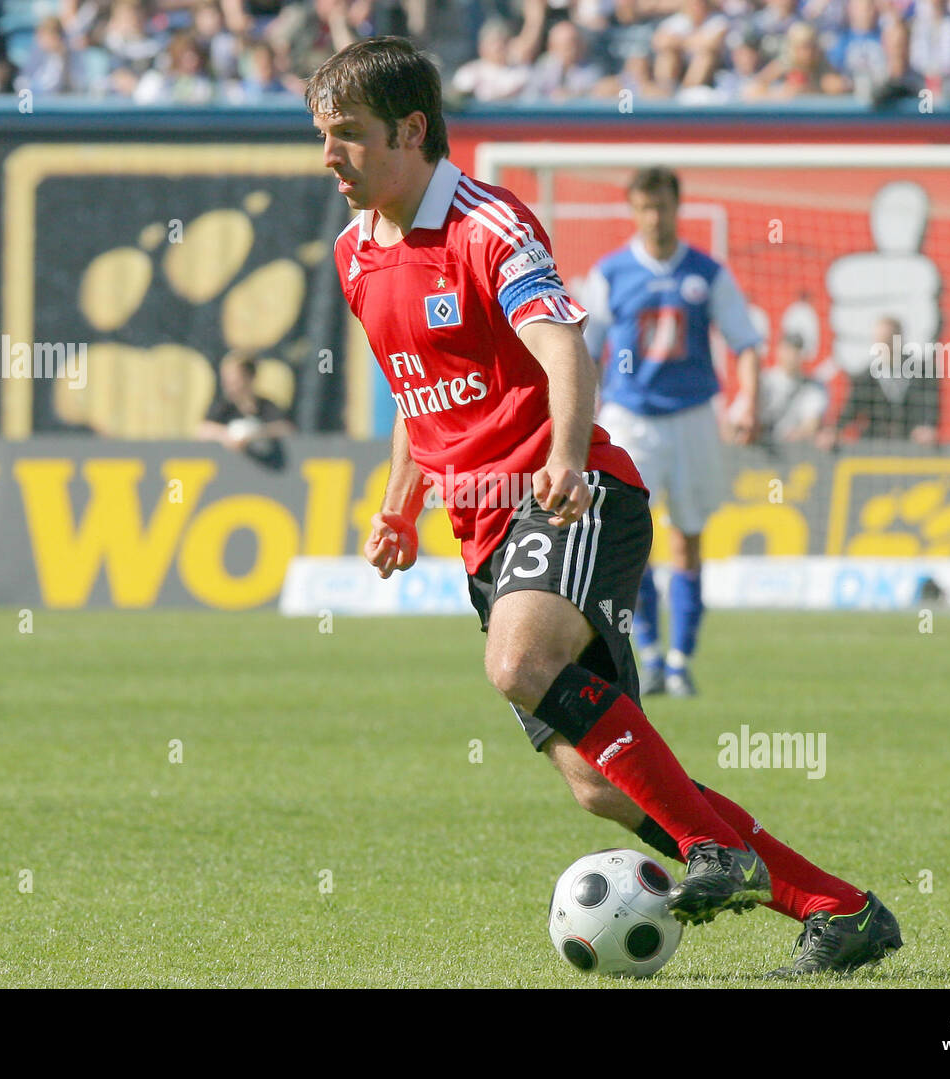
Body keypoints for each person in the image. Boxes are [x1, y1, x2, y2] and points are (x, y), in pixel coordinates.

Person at [309, 36, 902, 976]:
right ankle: (840, 908)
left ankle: (720, 854)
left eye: (346, 136)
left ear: (411, 130)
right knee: (602, 785)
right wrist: (397, 507)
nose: (329, 157)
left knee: (519, 662)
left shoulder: (487, 224)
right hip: (482, 532)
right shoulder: (355, 253)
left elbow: (566, 353)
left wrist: (569, 456)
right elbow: (415, 393)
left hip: (571, 492)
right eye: (321, 137)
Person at [581, 166, 760, 700]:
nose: (654, 217)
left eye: (662, 206)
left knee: (687, 538)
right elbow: (586, 353)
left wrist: (746, 398)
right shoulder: (611, 273)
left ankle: (681, 661)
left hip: (692, 416)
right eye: (644, 207)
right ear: (633, 211)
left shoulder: (707, 273)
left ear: (678, 208)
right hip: (630, 418)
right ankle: (652, 656)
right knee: (632, 540)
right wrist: (582, 420)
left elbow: (744, 341)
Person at [816, 315, 939, 448]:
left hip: (912, 447)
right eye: (879, 341)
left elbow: (930, 405)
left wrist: (927, 428)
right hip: (876, 449)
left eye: (887, 341)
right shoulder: (866, 378)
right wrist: (833, 431)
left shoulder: (923, 373)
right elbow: (850, 410)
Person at [197, 352, 294, 469]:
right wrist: (226, 435)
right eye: (226, 381)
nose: (229, 386)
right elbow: (203, 430)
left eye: (234, 381)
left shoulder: (266, 406)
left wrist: (254, 434)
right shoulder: (222, 407)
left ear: (249, 378)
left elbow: (286, 428)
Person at [759, 330, 828, 443]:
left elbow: (811, 424)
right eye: (787, 349)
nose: (791, 355)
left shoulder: (813, 387)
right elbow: (739, 415)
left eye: (796, 350)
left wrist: (796, 434)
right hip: (762, 449)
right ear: (778, 351)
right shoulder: (764, 381)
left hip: (795, 451)